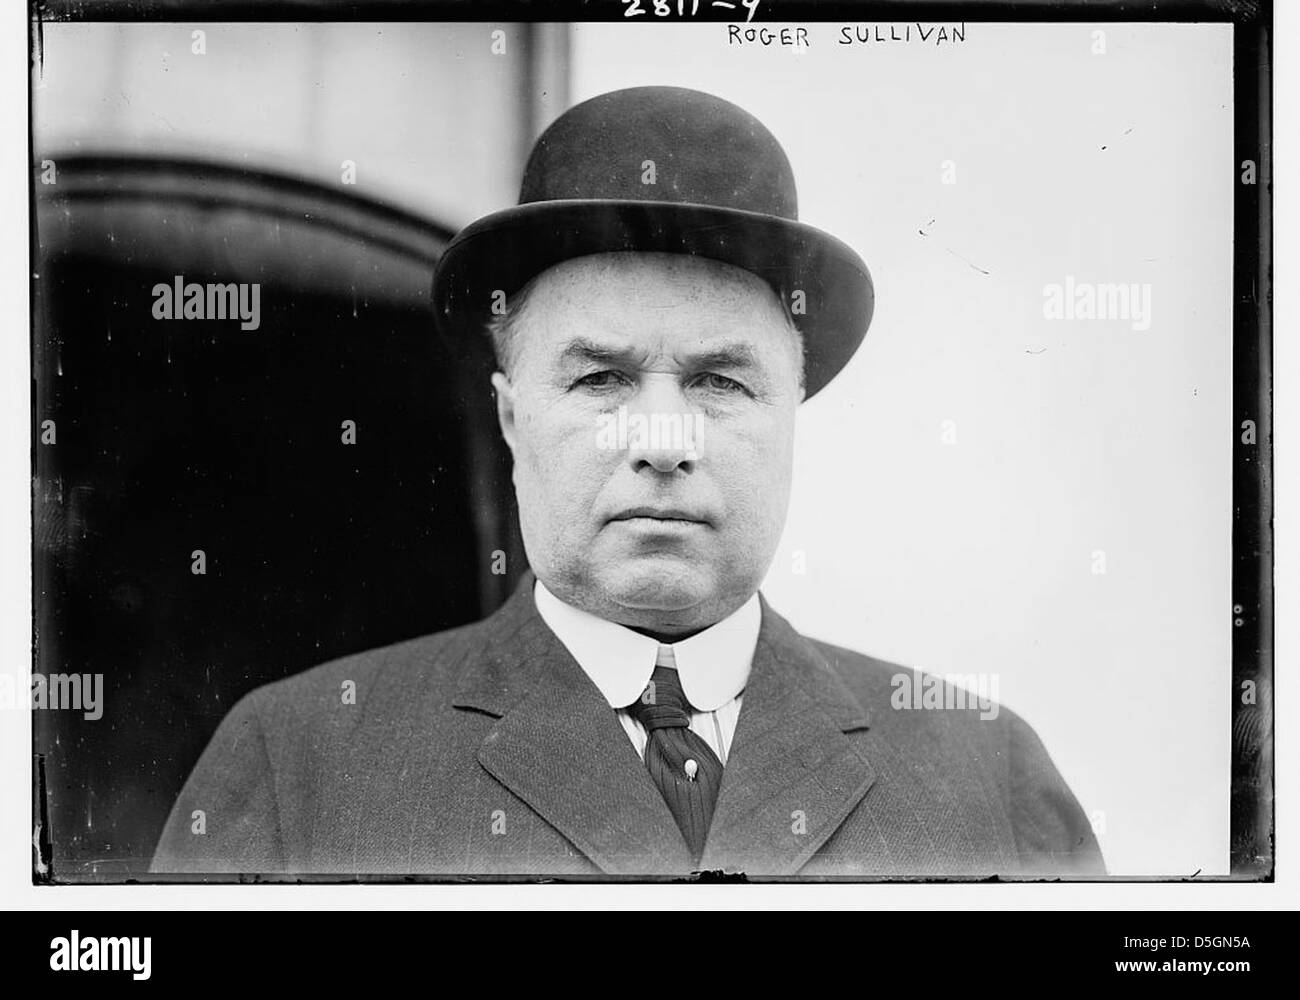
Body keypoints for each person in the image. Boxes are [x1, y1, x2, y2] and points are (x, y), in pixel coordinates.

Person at [152, 86, 1105, 878]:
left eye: (721, 382)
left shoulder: (990, 778)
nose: (662, 440)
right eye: (601, 378)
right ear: (513, 419)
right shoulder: (298, 764)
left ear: (790, 418)